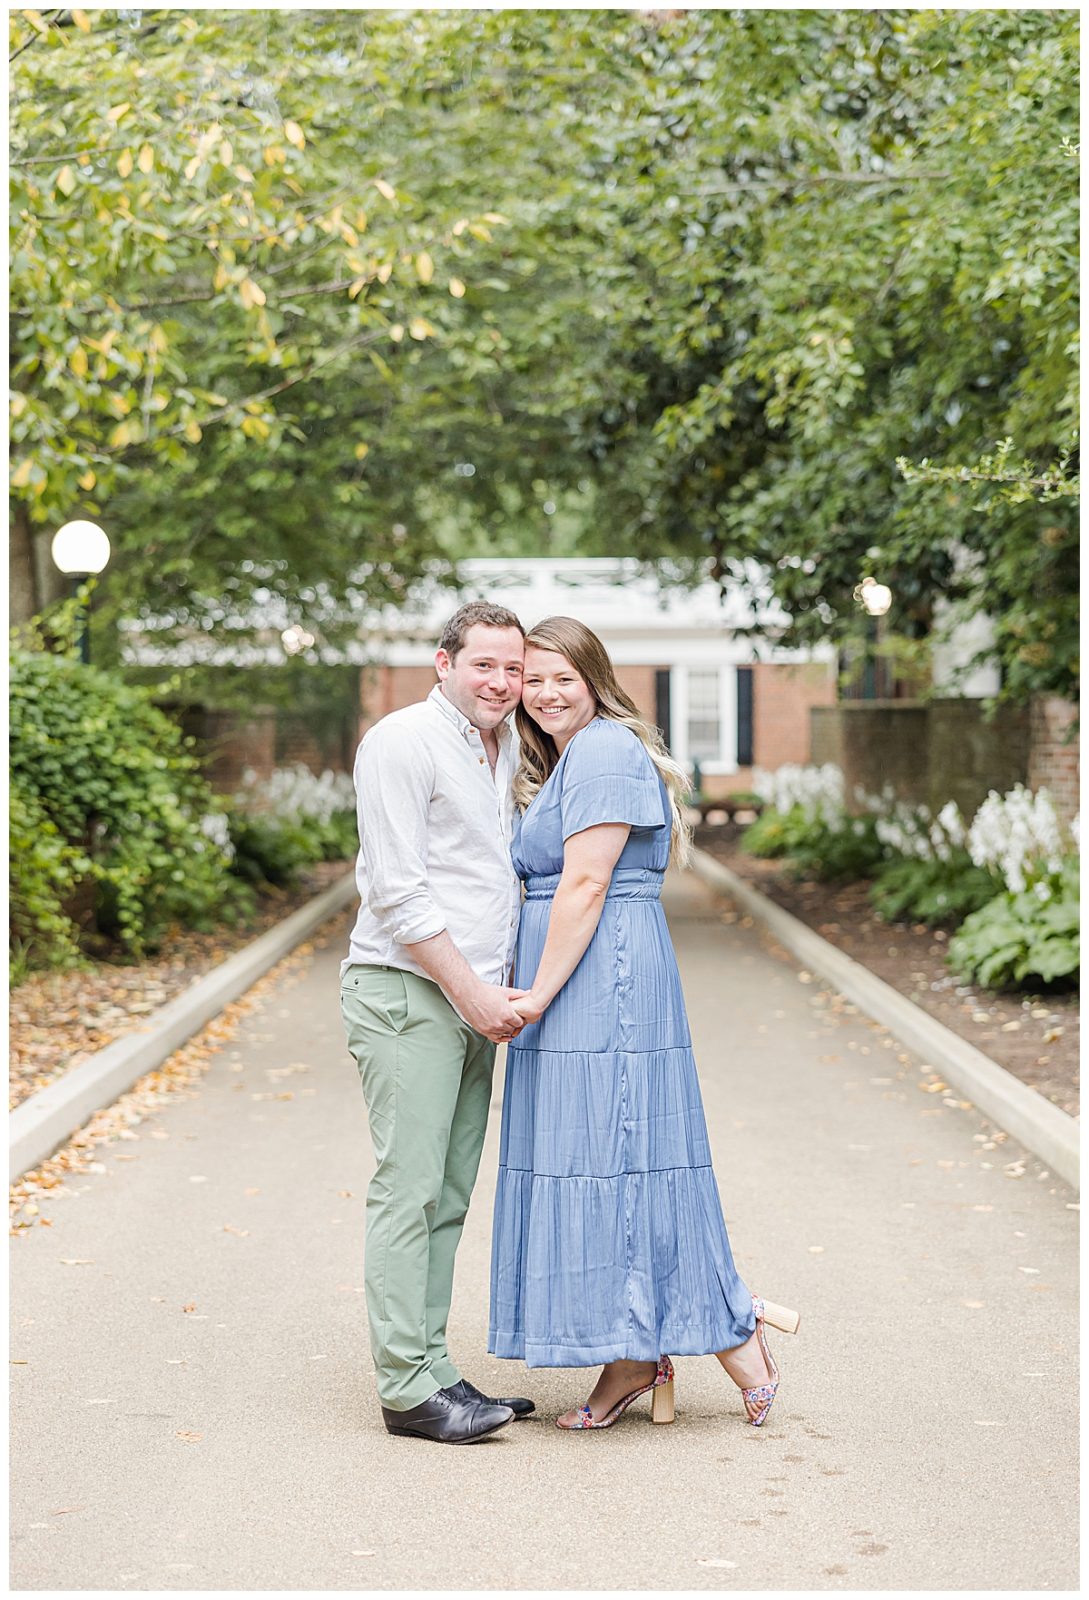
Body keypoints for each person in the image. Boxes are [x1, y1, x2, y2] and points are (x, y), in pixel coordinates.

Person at [488, 615, 800, 1430]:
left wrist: (535, 993)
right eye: (532, 679)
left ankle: (726, 1326)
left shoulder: (602, 751)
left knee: (621, 1154)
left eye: (563, 678)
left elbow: (586, 883)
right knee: (602, 1157)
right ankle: (637, 1350)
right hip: (580, 973)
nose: (546, 694)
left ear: (595, 681)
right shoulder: (562, 758)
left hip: (602, 977)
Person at [341, 601, 537, 1445]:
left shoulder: (502, 747)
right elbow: (398, 890)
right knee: (408, 1190)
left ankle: (433, 1367)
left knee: (449, 1196)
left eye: (513, 669)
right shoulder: (402, 742)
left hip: (470, 999)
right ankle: (404, 1390)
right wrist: (472, 994)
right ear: (443, 663)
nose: (500, 682)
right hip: (409, 991)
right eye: (483, 664)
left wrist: (493, 992)